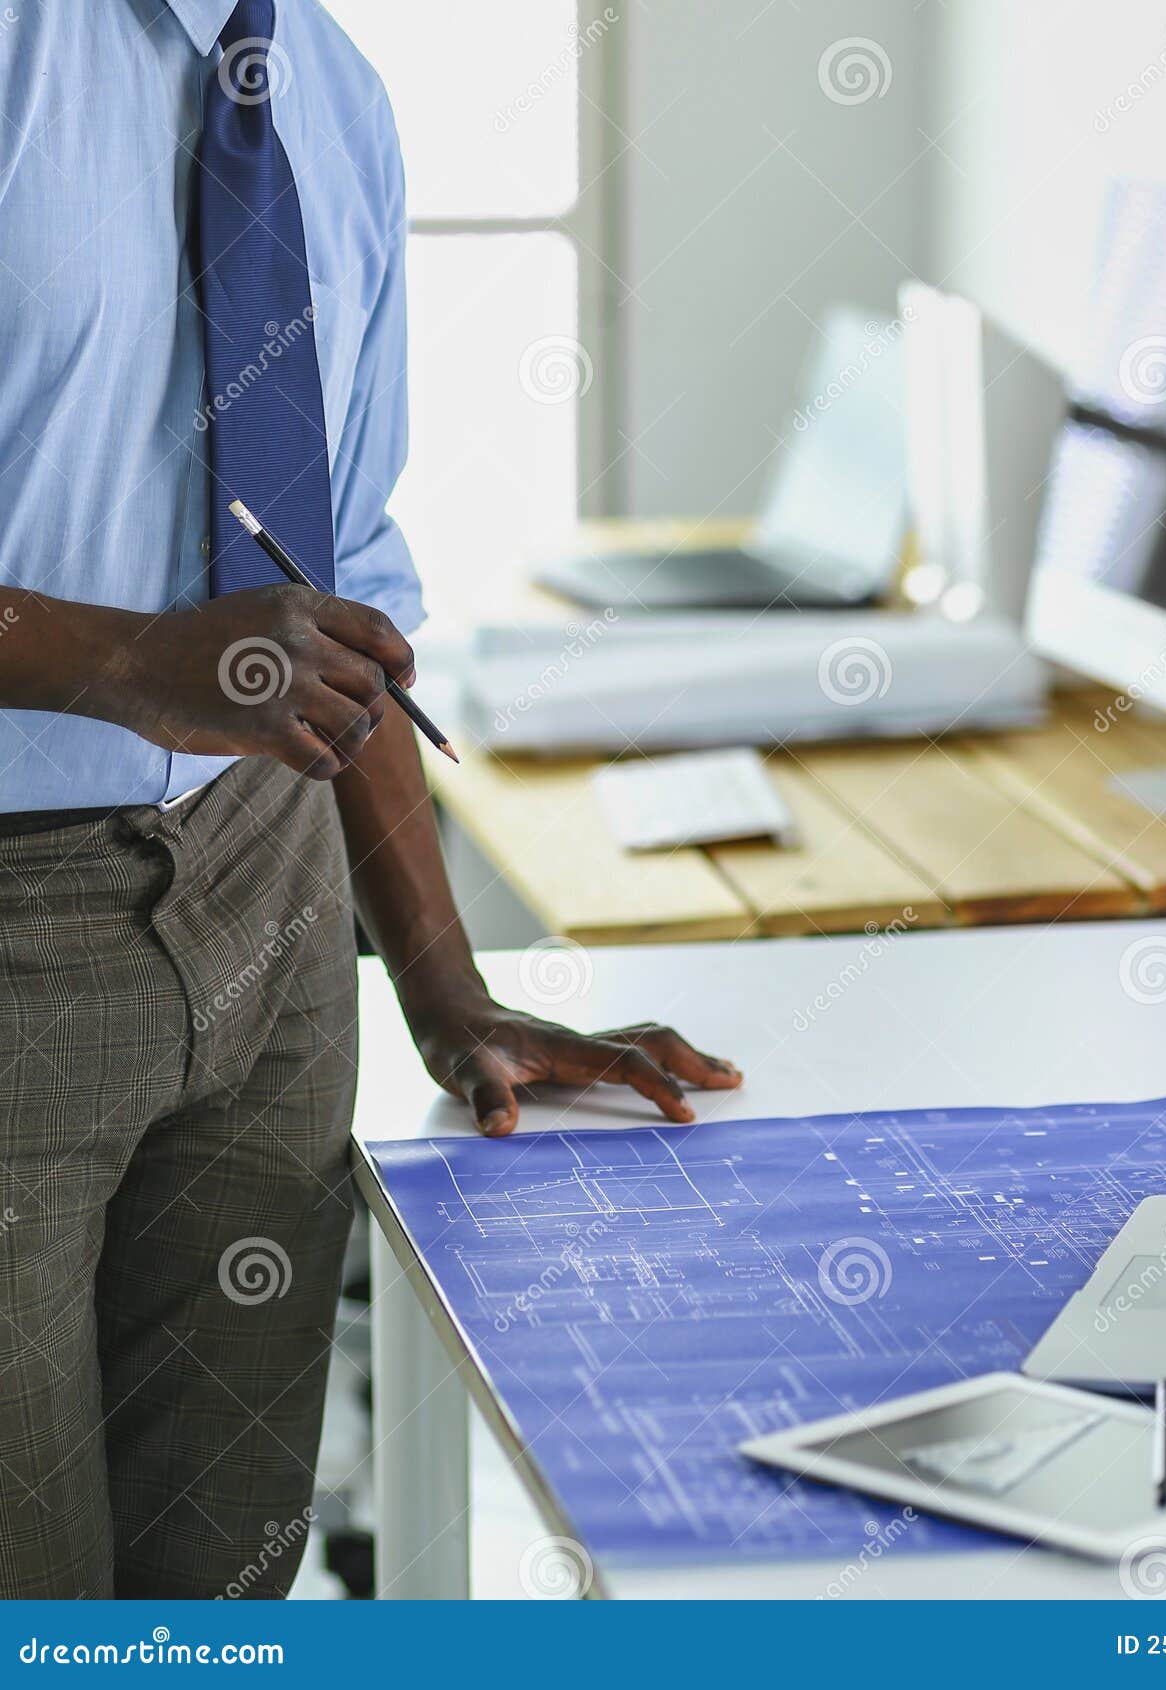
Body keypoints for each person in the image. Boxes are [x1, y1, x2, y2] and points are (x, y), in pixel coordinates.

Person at [0, 0, 739, 1600]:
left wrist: (445, 980)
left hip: (274, 901)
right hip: (15, 936)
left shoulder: (330, 92)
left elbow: (339, 580)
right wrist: (133, 660)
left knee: (228, 1592)